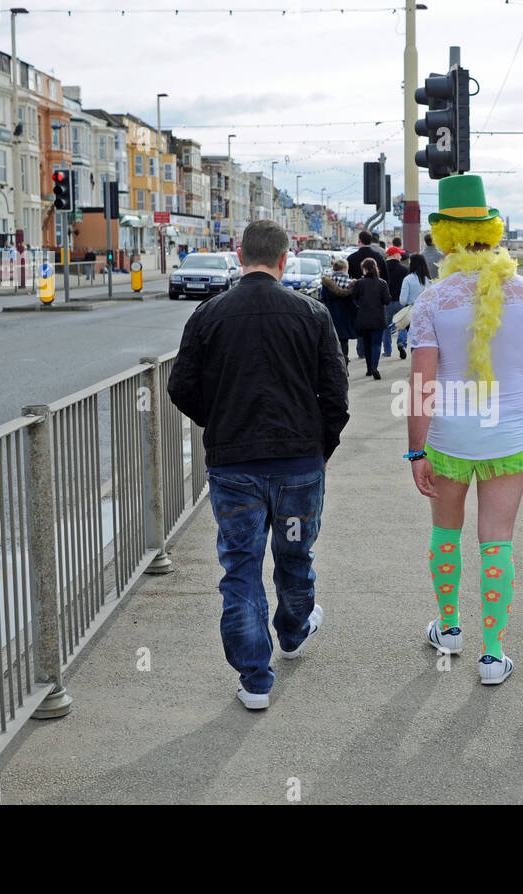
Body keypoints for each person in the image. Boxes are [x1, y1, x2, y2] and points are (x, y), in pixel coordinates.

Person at [167, 219, 349, 711]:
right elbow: (336, 395)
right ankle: (292, 632)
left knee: (241, 567)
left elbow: (180, 387)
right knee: (294, 556)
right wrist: (320, 448)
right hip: (297, 464)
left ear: (240, 255)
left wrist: (221, 422)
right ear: (284, 259)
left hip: (235, 466)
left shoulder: (209, 315)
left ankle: (254, 679)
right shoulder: (311, 314)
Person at [408, 174, 523, 686]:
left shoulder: (432, 301)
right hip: (512, 433)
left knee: (445, 530)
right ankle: (493, 655)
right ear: (493, 230)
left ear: (445, 237)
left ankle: (450, 629)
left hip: (450, 435)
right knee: (497, 540)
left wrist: (416, 451)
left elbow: (421, 382)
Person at [351, 257, 391, 380]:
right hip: (378, 318)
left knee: (367, 344)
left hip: (363, 318)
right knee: (376, 344)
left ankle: (369, 369)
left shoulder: (359, 283)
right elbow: (387, 300)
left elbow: (354, 297)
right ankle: (374, 367)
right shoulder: (382, 283)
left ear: (364, 269)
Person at [319, 257, 358, 370]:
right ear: (345, 268)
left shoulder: (326, 282)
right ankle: (344, 360)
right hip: (345, 316)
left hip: (331, 315)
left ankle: (337, 363)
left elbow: (323, 299)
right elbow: (353, 302)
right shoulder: (350, 283)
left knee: (333, 341)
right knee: (344, 341)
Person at [384, 247, 409, 359]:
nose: (400, 256)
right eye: (399, 254)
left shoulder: (382, 268)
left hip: (387, 301)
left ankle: (387, 350)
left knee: (386, 326)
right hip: (400, 301)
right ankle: (401, 343)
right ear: (394, 255)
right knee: (402, 324)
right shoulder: (404, 269)